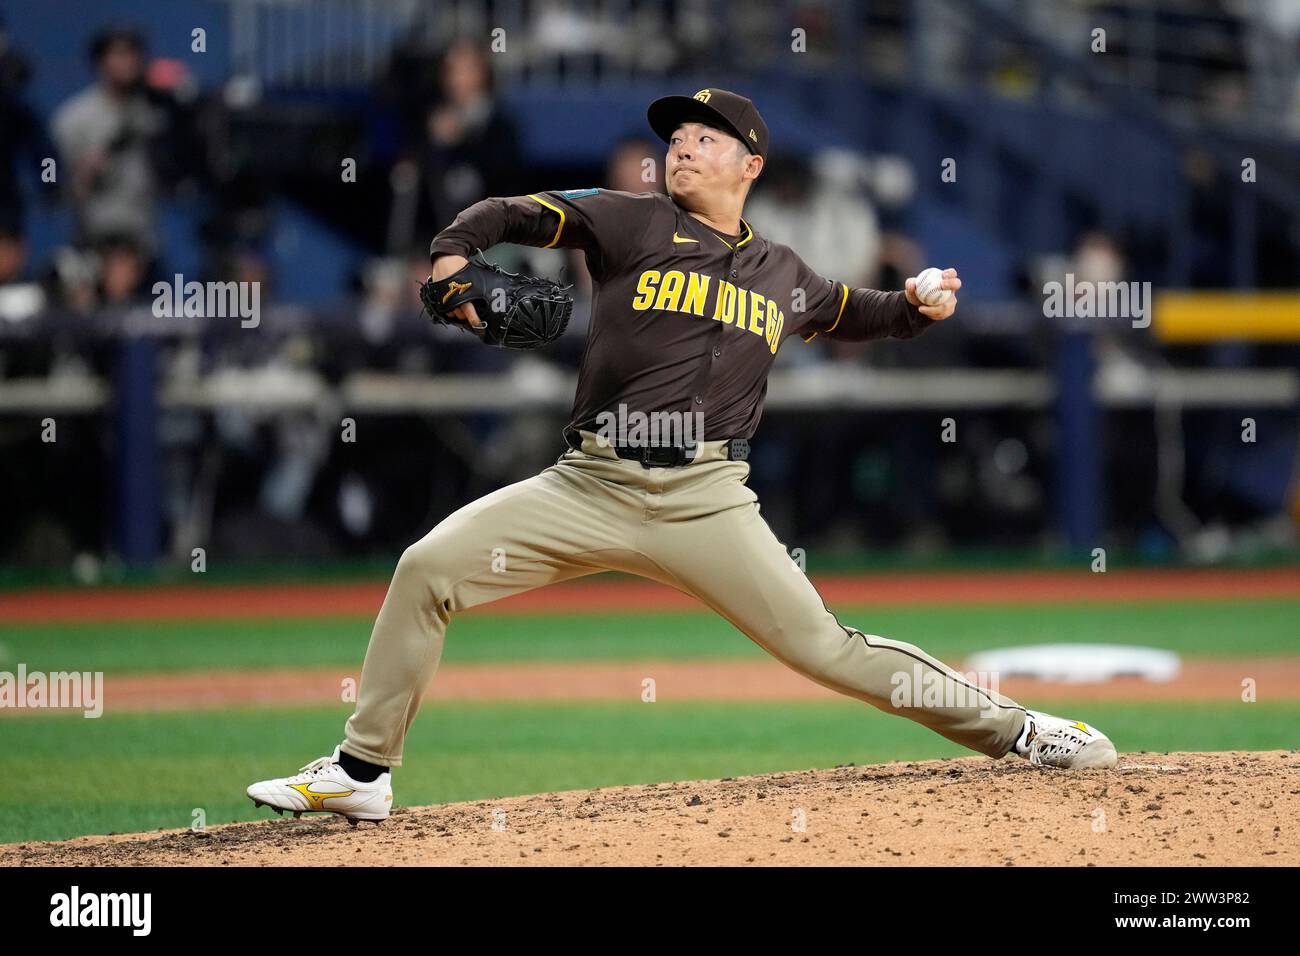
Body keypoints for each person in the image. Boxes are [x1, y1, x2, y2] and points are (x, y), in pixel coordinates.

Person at [247, 88, 1117, 825]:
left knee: (828, 649)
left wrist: (917, 303)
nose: (682, 149)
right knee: (426, 569)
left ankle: (1023, 731)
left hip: (707, 497)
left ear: (751, 166)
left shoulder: (784, 272)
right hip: (588, 483)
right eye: (674, 139)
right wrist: (448, 260)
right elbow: (508, 214)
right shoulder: (629, 219)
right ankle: (362, 773)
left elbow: (856, 311)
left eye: (706, 139)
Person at [50, 27, 163, 257]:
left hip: (146, 239)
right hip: (96, 239)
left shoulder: (155, 113)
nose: (127, 62)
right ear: (100, 62)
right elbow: (53, 189)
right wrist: (84, 173)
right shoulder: (74, 118)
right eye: (118, 54)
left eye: (133, 54)